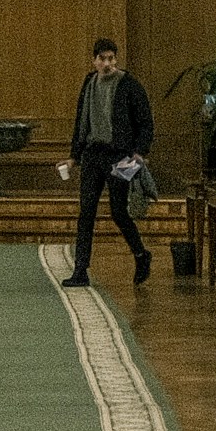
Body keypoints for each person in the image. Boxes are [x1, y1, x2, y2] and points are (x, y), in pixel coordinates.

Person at [62, 38, 155, 287]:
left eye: (111, 58)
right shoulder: (89, 83)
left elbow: (146, 122)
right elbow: (81, 121)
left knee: (118, 211)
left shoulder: (129, 85)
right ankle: (81, 269)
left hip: (121, 156)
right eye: (102, 59)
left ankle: (141, 254)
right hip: (93, 155)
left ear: (116, 59)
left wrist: (139, 152)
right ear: (93, 61)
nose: (107, 64)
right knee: (87, 212)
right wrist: (74, 156)